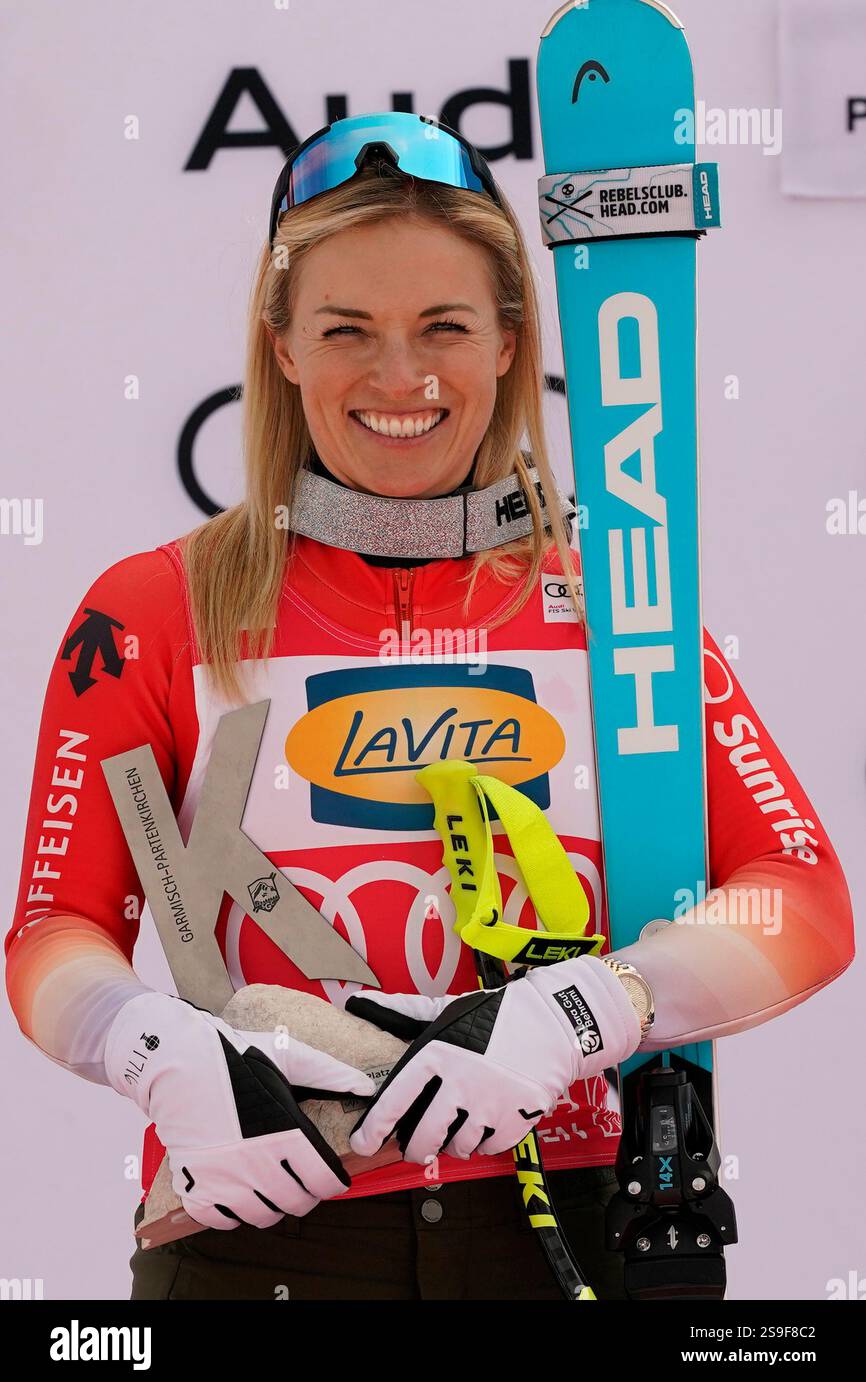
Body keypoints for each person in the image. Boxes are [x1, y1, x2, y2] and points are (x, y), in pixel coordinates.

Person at [6, 113, 854, 1302]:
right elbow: (53, 929)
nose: (399, 378)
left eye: (443, 328)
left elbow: (802, 894)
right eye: (346, 330)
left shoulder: (616, 598)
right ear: (281, 347)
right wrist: (154, 1051)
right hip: (263, 1220)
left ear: (510, 340)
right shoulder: (153, 608)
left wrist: (584, 1008)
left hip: (576, 1215)